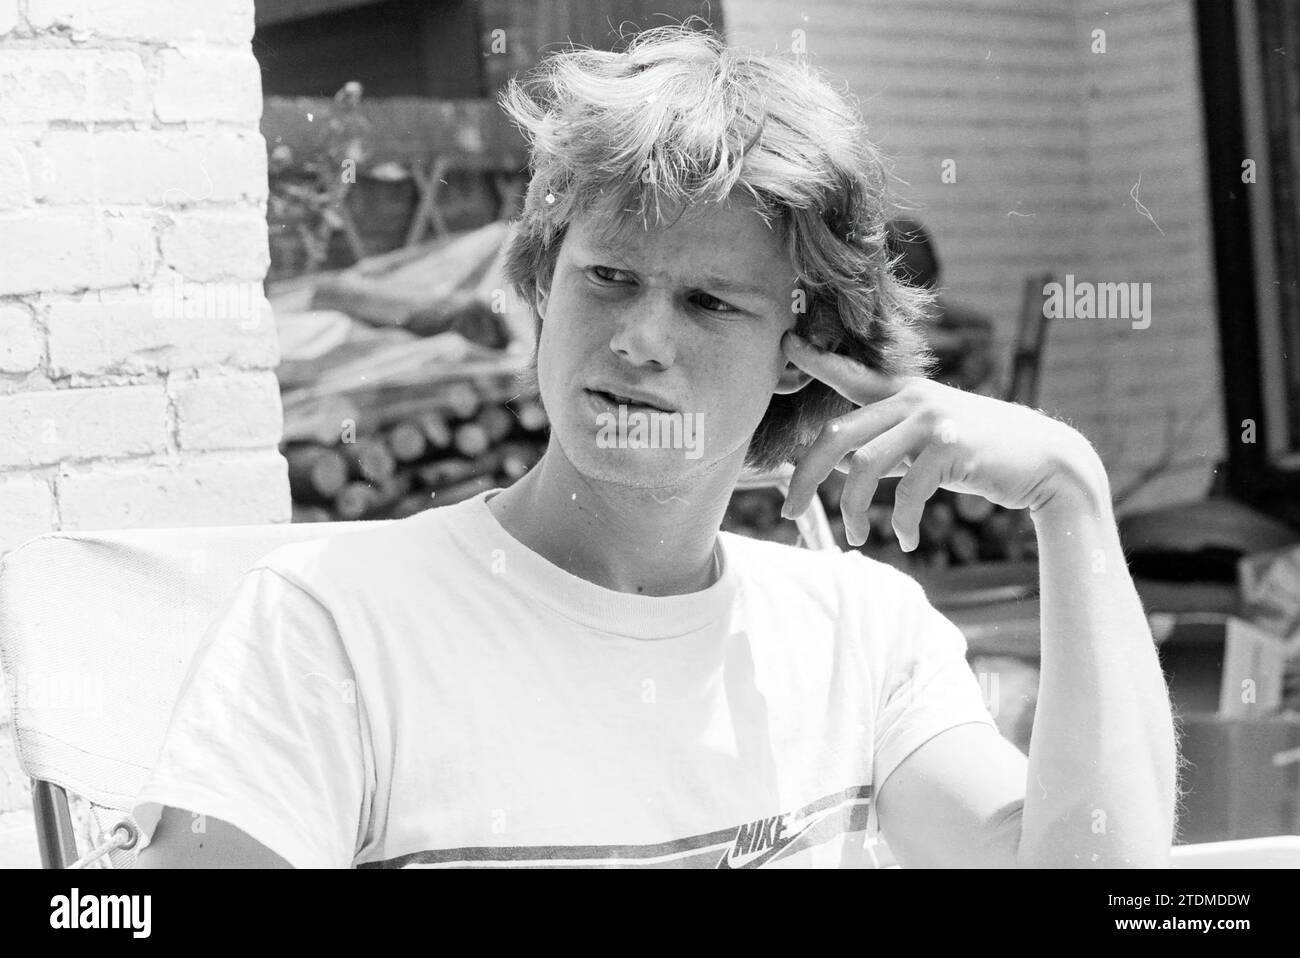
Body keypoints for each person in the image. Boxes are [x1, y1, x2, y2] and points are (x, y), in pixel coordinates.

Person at [133, 25, 1177, 868]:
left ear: (798, 355)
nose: (639, 341)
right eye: (609, 277)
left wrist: (1068, 492)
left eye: (709, 302)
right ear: (544, 284)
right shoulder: (336, 625)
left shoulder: (861, 638)